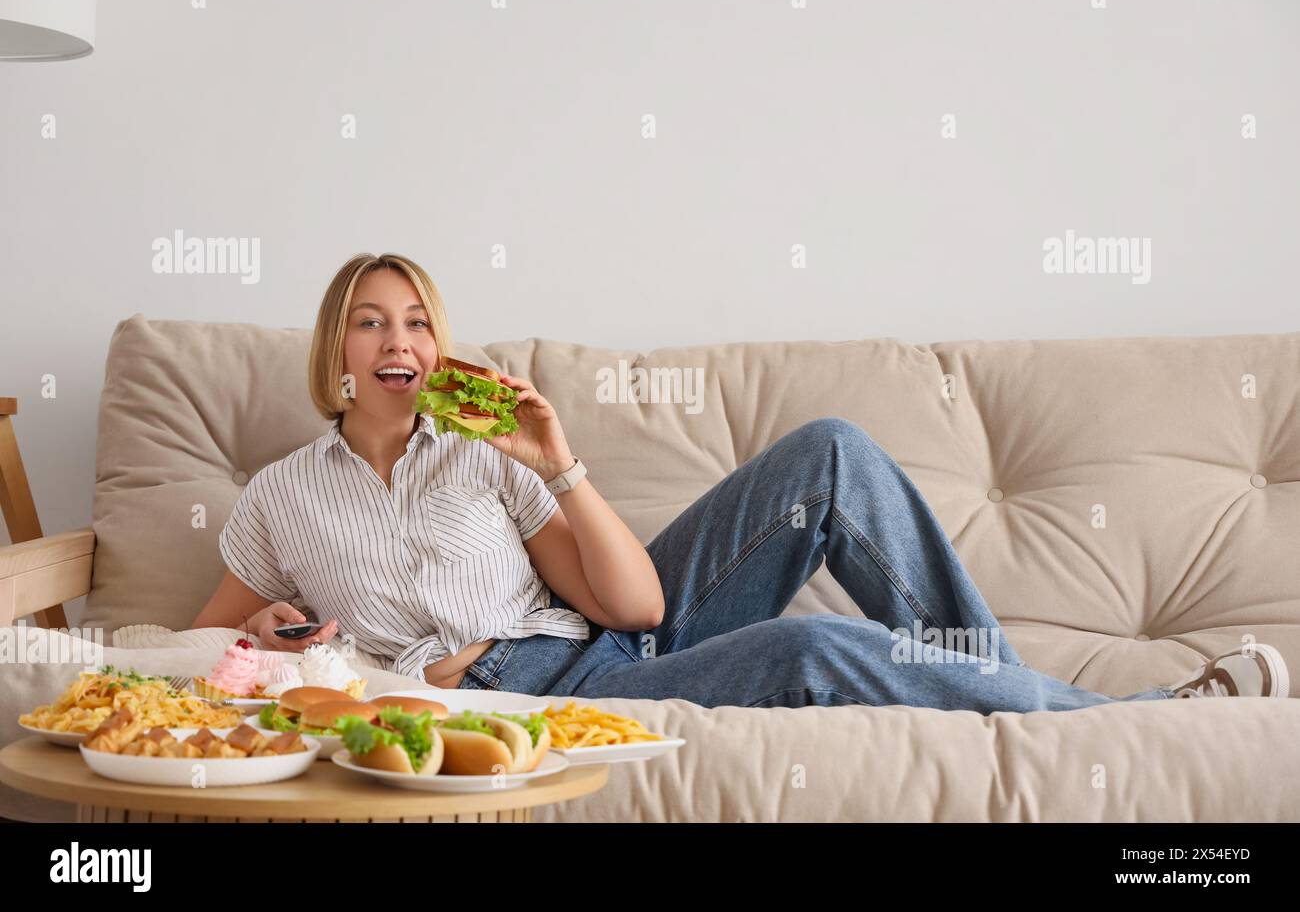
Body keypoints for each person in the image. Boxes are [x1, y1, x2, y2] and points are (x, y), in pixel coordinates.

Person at [192, 252, 1291, 711]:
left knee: (830, 451)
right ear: (338, 347)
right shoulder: (283, 496)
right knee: (816, 649)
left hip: (609, 636)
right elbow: (194, 648)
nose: (401, 338)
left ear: (438, 346)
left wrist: (557, 461)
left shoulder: (485, 449)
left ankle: (1042, 717)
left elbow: (635, 607)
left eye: (419, 318)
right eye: (374, 320)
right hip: (535, 697)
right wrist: (276, 636)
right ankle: (1122, 721)